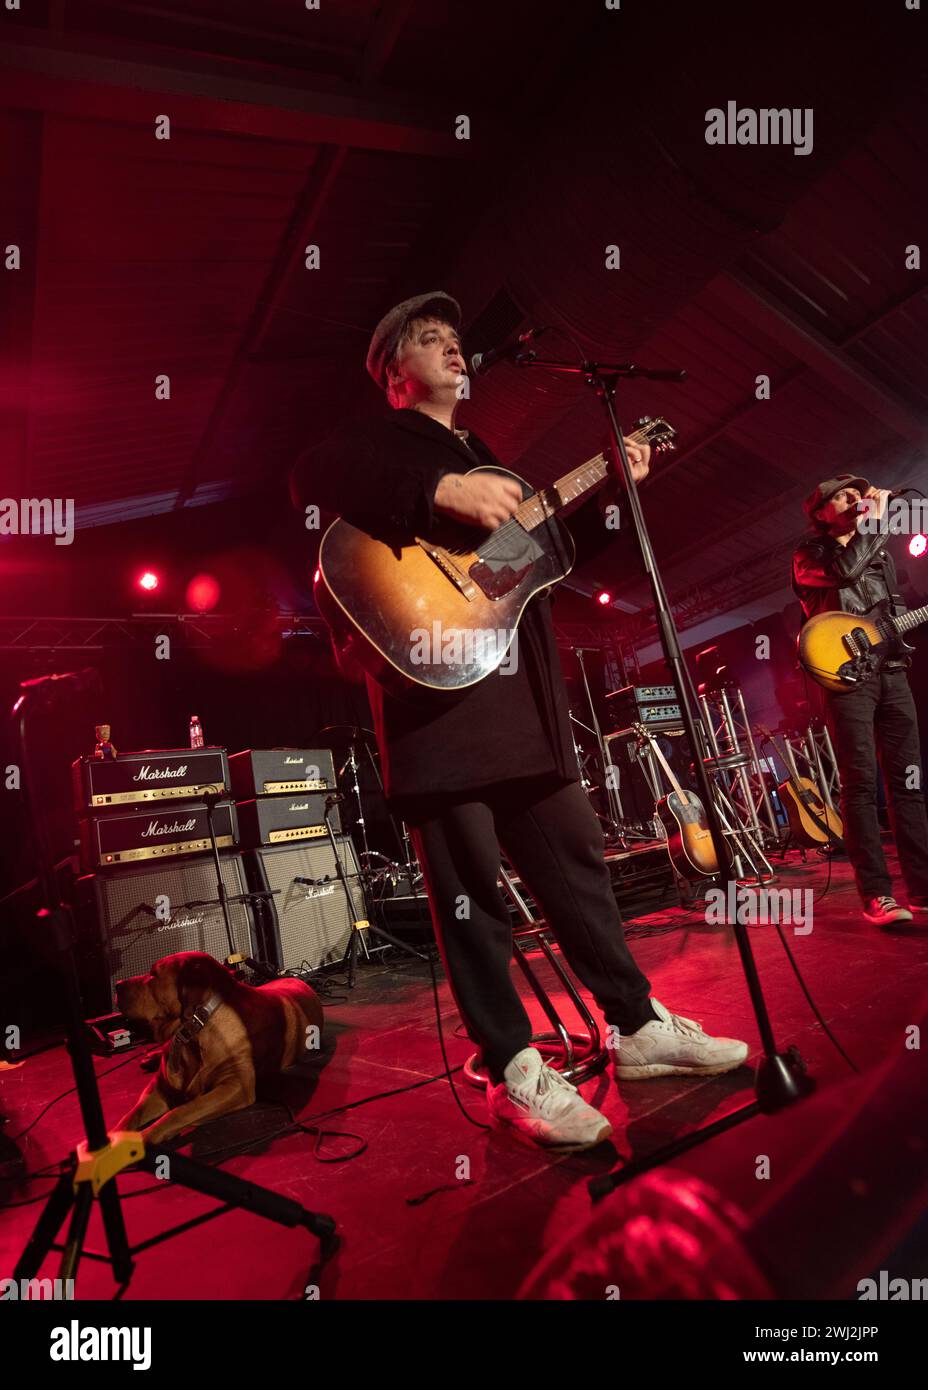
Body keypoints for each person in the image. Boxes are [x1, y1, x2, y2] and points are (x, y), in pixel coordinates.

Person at [291, 291, 748, 1151]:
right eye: (433, 341)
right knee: (472, 904)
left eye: (459, 342)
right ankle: (510, 1069)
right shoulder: (379, 446)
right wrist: (441, 487)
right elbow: (312, 477)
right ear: (394, 374)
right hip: (438, 716)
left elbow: (528, 570)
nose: (456, 352)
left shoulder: (487, 455)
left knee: (580, 871)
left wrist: (614, 493)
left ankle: (638, 1026)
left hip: (523, 709)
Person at [793, 475, 928, 928]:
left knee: (908, 783)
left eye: (858, 493)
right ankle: (876, 895)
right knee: (861, 784)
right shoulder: (809, 555)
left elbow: (889, 616)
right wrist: (873, 519)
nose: (856, 499)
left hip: (891, 673)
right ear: (820, 514)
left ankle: (924, 886)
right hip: (847, 678)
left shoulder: (883, 554)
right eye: (843, 496)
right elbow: (843, 573)